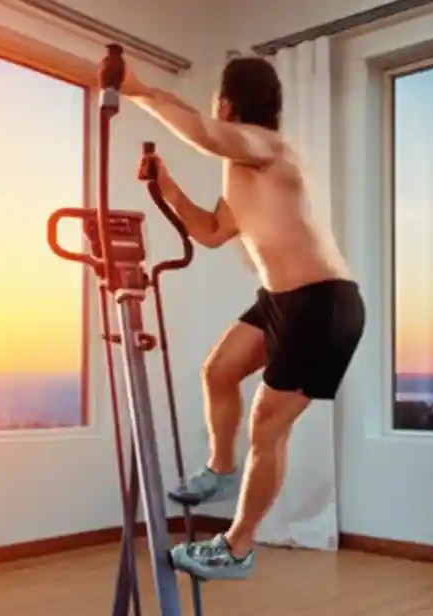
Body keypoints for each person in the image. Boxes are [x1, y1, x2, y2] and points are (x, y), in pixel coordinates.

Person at [120, 57, 365, 581]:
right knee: (219, 371)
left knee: (267, 428)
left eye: (215, 102)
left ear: (227, 104)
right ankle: (222, 470)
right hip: (280, 301)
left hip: (322, 304)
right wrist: (165, 186)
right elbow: (210, 230)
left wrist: (137, 90)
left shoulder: (263, 146)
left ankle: (237, 545)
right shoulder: (245, 169)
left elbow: (207, 133)